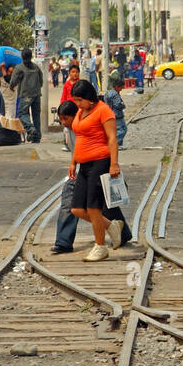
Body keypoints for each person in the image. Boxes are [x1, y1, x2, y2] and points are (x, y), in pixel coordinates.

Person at [52, 99, 132, 255]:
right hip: (81, 171)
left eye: (65, 119)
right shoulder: (68, 130)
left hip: (98, 168)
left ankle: (120, 234)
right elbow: (76, 149)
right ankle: (63, 242)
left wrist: (113, 165)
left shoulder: (89, 125)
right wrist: (73, 164)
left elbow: (110, 141)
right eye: (61, 119)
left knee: (104, 205)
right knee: (72, 205)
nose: (63, 123)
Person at [67, 81, 123, 262]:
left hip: (100, 162)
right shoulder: (81, 112)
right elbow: (80, 138)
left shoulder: (103, 110)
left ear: (90, 98)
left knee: (93, 207)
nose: (78, 104)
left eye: (80, 100)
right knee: (77, 208)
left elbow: (112, 138)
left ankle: (100, 246)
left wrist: (114, 164)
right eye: (75, 100)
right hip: (83, 164)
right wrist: (73, 162)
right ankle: (111, 226)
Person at [9, 48, 44, 143]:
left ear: (22, 56)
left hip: (25, 95)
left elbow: (13, 81)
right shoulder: (36, 67)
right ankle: (37, 137)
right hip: (37, 94)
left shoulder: (19, 67)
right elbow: (41, 81)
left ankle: (31, 128)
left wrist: (11, 87)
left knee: (22, 113)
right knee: (36, 115)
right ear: (31, 56)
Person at [103, 74, 128, 149]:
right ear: (117, 87)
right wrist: (123, 105)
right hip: (117, 115)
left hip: (109, 114)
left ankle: (118, 145)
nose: (122, 89)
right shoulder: (115, 94)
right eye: (121, 87)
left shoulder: (108, 93)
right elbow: (118, 105)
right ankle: (114, 143)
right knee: (123, 130)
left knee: (115, 130)